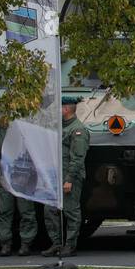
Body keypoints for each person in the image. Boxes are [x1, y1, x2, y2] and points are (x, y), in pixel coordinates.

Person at [42, 98, 90, 258]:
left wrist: (69, 179)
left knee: (71, 211)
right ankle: (56, 243)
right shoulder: (59, 128)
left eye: (60, 107)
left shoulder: (78, 130)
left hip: (70, 177)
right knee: (49, 210)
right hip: (54, 176)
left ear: (66, 109)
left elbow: (77, 157)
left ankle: (70, 245)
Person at [0, 120, 37, 256]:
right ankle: (25, 244)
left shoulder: (2, 123)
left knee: (5, 211)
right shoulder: (30, 123)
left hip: (7, 171)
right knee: (26, 211)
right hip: (24, 171)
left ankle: (5, 245)